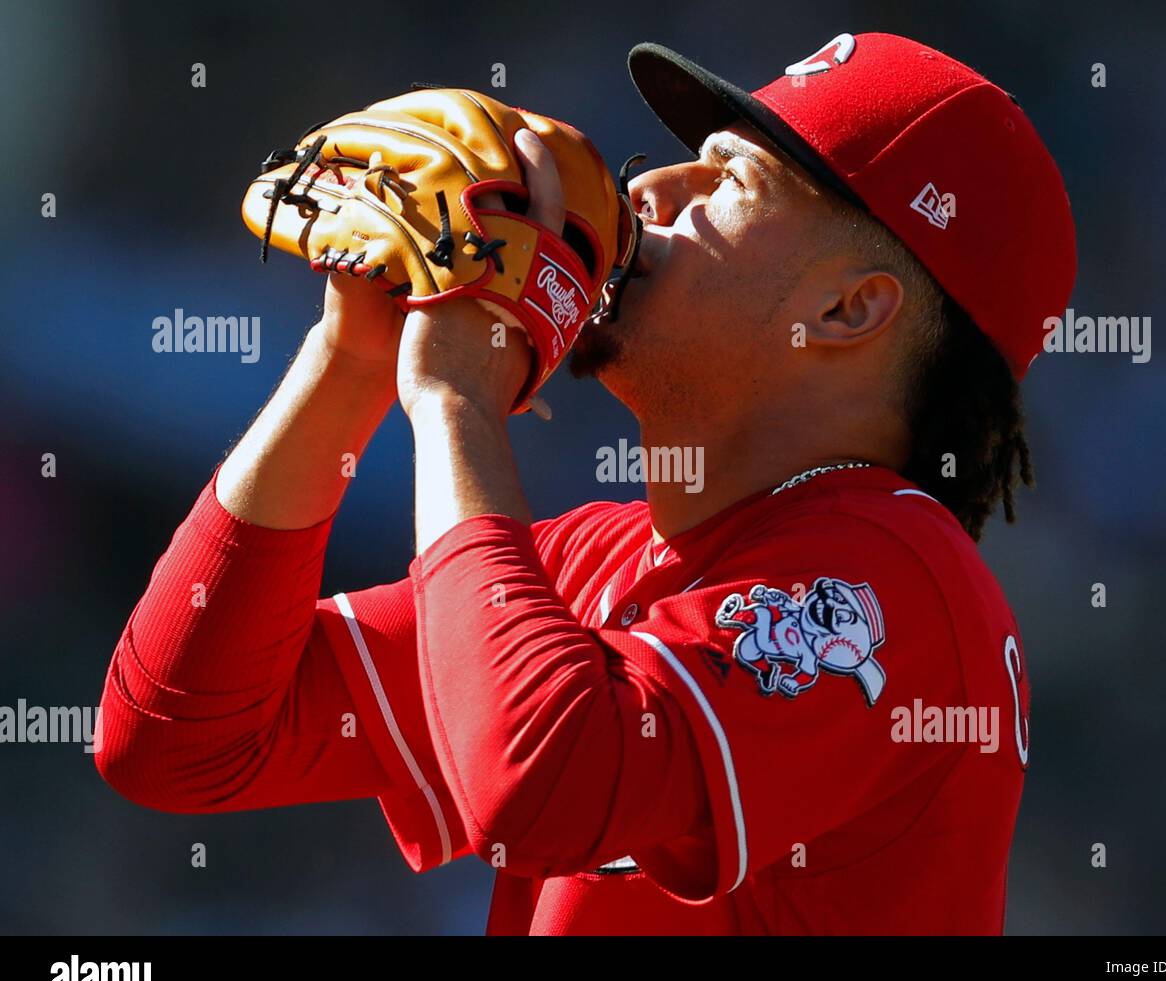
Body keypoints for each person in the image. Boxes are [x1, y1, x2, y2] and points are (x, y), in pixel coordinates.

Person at [95, 31, 1076, 934]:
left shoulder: (900, 582)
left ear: (845, 308)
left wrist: (455, 405)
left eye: (729, 179)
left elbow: (544, 782)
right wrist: (347, 364)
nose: (651, 183)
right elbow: (179, 740)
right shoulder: (591, 555)